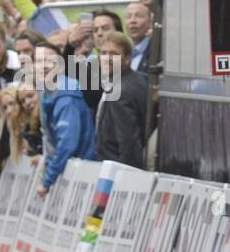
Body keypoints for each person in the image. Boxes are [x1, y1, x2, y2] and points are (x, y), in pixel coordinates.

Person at [34, 44, 96, 196]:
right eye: (39, 61)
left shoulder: (67, 94)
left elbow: (67, 142)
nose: (44, 66)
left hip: (83, 174)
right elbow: (50, 138)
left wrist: (48, 180)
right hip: (70, 172)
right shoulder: (46, 92)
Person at [94, 32, 148, 169]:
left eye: (114, 54)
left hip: (118, 169)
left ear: (127, 59)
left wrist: (128, 176)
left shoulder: (121, 90)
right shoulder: (133, 80)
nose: (107, 58)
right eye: (104, 53)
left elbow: (128, 140)